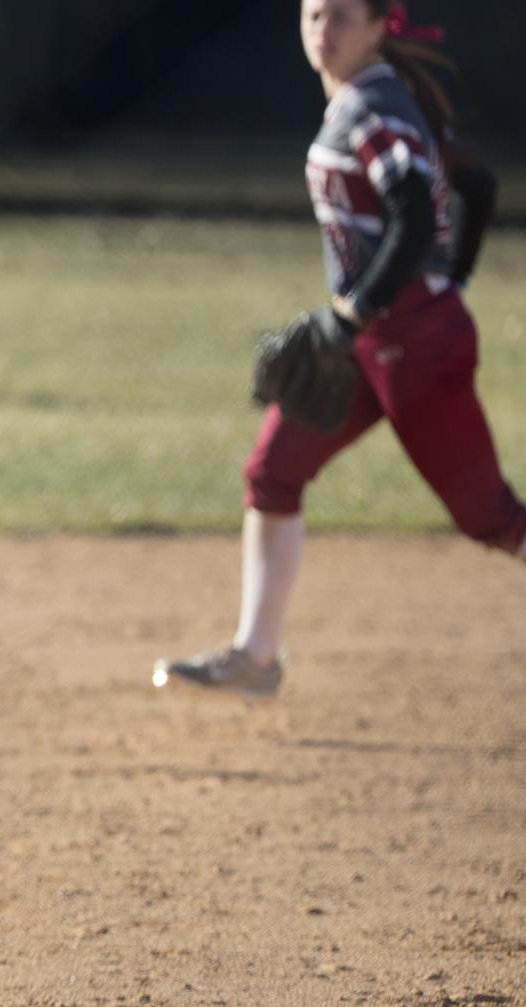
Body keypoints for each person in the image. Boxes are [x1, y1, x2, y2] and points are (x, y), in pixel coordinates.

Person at [154, 0, 523, 701]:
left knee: (492, 519)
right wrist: (439, 283)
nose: (324, 32)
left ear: (384, 25)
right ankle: (256, 657)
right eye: (314, 15)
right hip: (374, 335)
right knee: (273, 472)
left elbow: (416, 214)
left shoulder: (375, 107)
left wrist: (359, 310)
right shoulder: (377, 96)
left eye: (344, 17)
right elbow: (475, 184)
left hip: (413, 342)